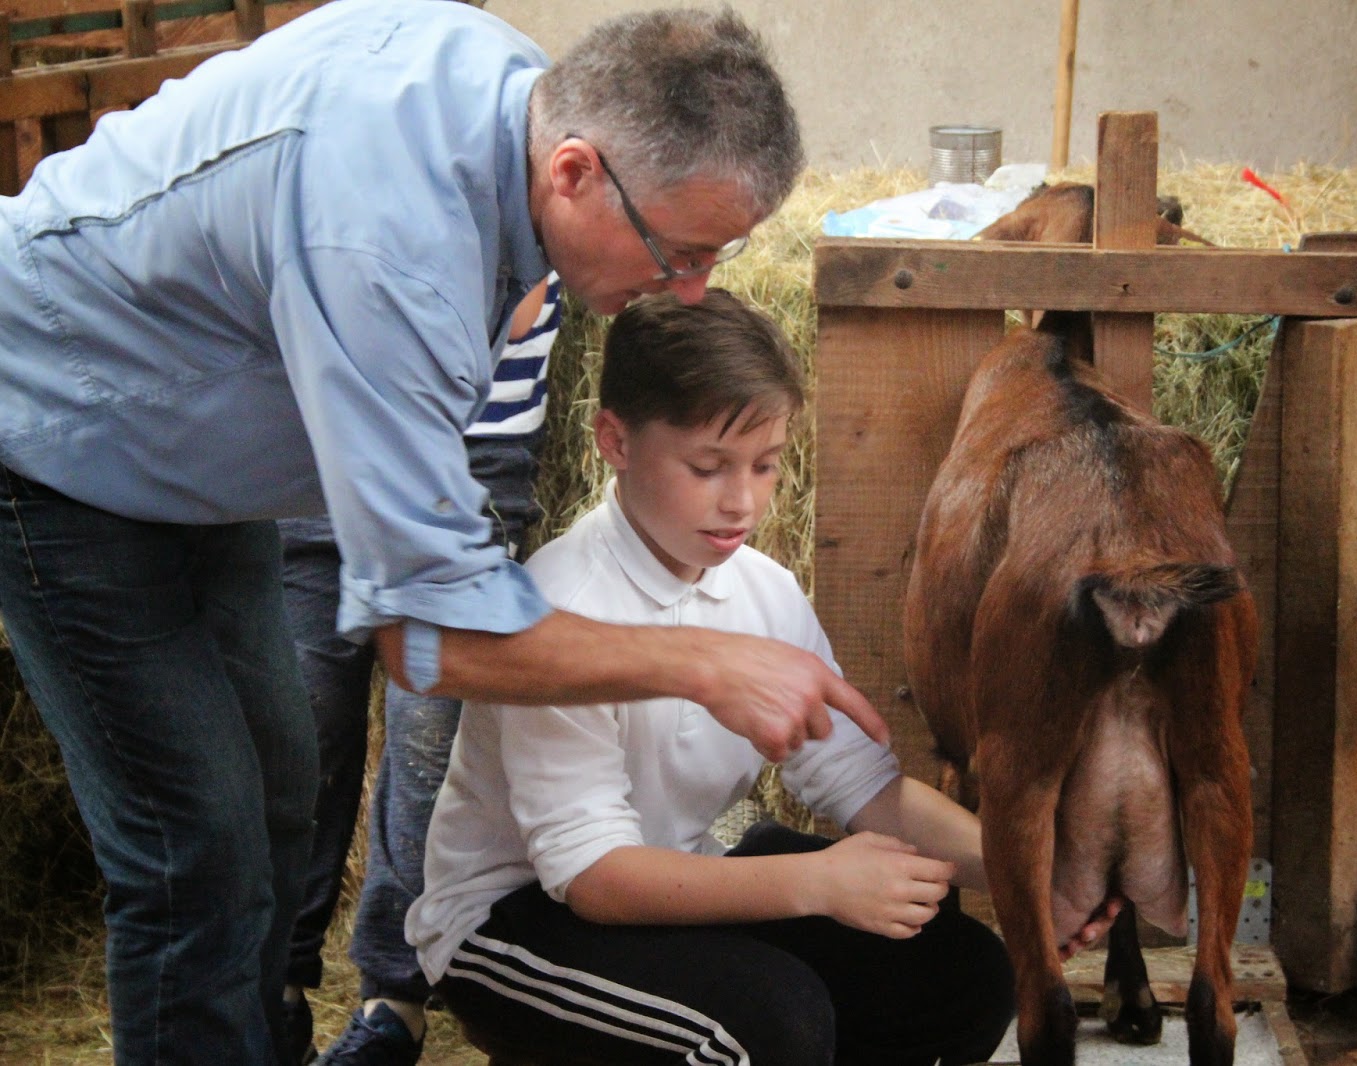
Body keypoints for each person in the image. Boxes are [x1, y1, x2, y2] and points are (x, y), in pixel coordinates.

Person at [0, 5, 882, 1065]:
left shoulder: (506, 84)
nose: (690, 287)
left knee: (278, 793)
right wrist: (706, 661)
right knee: (198, 848)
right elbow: (431, 642)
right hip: (60, 432)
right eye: (677, 250)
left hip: (196, 450)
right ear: (573, 174)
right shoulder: (392, 250)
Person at [408, 290, 1017, 1066]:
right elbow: (593, 879)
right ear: (615, 442)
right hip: (516, 919)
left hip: (678, 874)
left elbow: (861, 785)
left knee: (961, 974)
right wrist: (818, 882)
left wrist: (1025, 871)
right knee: (764, 1026)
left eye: (766, 465)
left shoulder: (763, 590)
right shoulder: (561, 609)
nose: (743, 502)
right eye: (708, 467)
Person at [280, 274, 562, 1066]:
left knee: (428, 744)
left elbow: (522, 304)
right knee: (300, 731)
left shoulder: (529, 181)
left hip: (469, 470)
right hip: (322, 457)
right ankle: (276, 985)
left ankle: (394, 999)